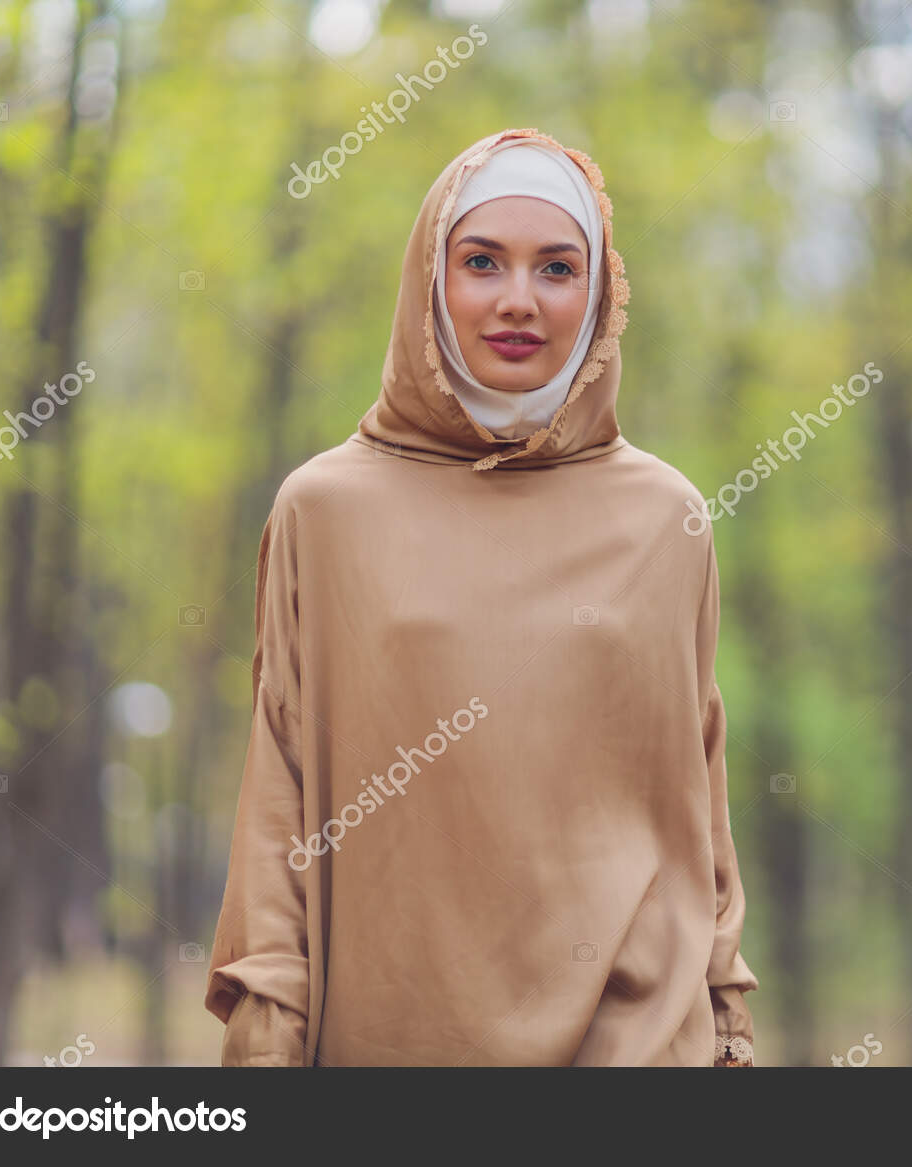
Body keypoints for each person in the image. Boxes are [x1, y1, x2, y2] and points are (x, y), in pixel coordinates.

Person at [202, 127, 759, 1067]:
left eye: (556, 268)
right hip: (394, 1040)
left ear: (597, 294)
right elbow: (279, 795)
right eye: (481, 262)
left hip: (638, 1041)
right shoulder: (326, 509)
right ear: (431, 278)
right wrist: (270, 1039)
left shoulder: (667, 516)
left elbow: (695, 789)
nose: (517, 301)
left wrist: (729, 1021)